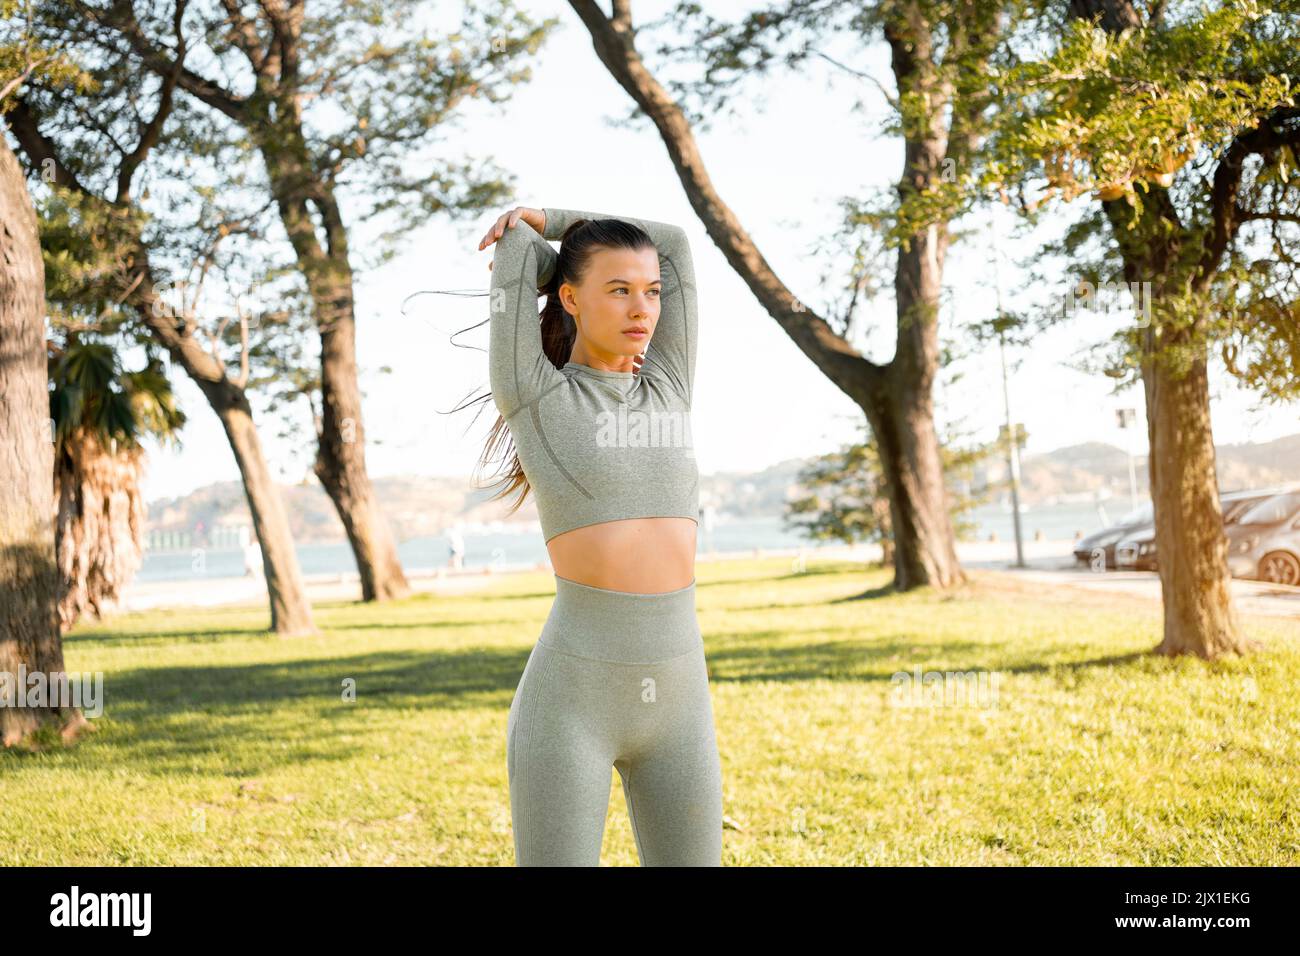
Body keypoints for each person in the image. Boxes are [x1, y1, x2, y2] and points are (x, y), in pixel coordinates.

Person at [476, 204, 720, 866]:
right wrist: (532, 228)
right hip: (571, 707)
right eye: (618, 290)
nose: (642, 308)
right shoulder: (534, 393)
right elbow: (517, 249)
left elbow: (672, 241)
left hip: (680, 702)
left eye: (651, 291)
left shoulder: (669, 385)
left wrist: (557, 215)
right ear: (570, 298)